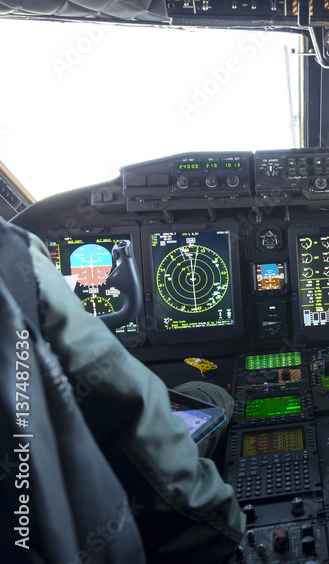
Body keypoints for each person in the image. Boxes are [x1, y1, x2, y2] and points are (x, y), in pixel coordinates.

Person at [0, 221, 244, 563]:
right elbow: (126, 413)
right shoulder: (10, 256)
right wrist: (222, 524)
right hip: (92, 525)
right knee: (210, 394)